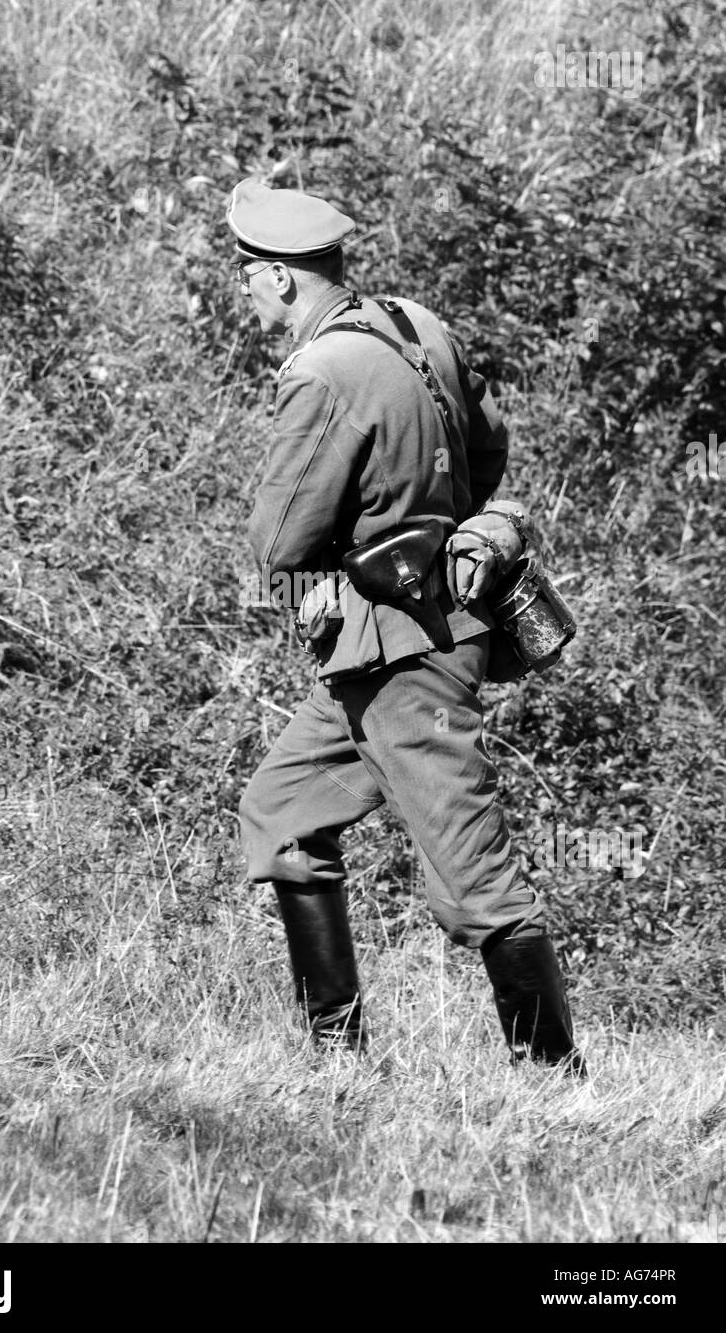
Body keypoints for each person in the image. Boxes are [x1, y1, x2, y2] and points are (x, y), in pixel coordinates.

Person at [230, 177, 585, 1075]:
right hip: (393, 644)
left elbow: (280, 539)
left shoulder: (320, 370)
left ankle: (556, 1081)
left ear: (279, 278)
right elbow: (491, 447)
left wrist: (332, 553)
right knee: (283, 811)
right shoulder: (414, 322)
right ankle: (337, 1058)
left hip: (406, 656)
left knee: (472, 872)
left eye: (246, 274)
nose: (243, 291)